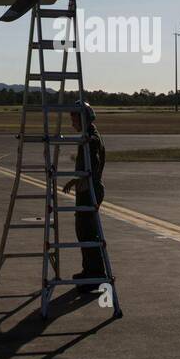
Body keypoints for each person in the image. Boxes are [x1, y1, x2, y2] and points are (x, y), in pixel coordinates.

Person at [62, 101, 107, 282]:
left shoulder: (91, 138)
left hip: (90, 190)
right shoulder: (86, 136)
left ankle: (95, 273)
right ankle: (89, 269)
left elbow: (94, 164)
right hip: (86, 189)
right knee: (84, 232)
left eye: (74, 119)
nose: (72, 123)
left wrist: (79, 180)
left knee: (88, 233)